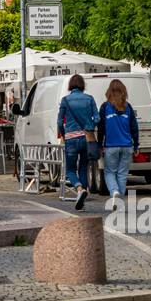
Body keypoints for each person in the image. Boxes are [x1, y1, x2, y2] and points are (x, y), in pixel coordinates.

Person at [56, 75, 98, 210]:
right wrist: (89, 126)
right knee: (84, 168)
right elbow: (97, 118)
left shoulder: (65, 100)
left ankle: (79, 189)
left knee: (70, 170)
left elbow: (59, 122)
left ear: (70, 85)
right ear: (82, 85)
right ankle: (82, 195)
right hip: (87, 138)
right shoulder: (89, 99)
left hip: (71, 139)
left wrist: (64, 134)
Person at [97, 79, 139, 203]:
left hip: (111, 146)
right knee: (122, 174)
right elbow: (134, 127)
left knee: (109, 172)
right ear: (123, 91)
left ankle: (114, 192)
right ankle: (119, 199)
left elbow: (101, 128)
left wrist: (100, 144)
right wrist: (136, 145)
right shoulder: (128, 106)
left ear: (109, 91)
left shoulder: (105, 107)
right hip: (127, 146)